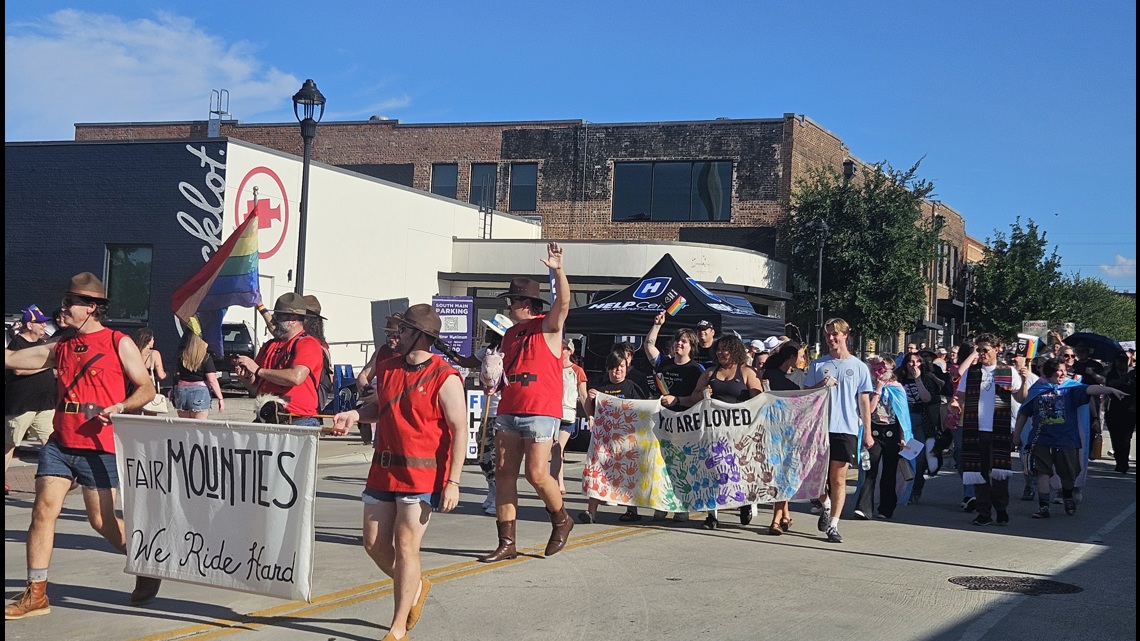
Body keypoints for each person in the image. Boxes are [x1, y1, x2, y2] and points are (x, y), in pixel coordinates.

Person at [4, 272, 160, 619]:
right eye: (64, 301)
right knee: (43, 510)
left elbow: (146, 388)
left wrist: (121, 406)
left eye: (70, 303)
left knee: (101, 522)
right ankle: (36, 592)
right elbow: (14, 360)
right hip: (61, 442)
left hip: (99, 444)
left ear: (91, 307)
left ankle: (145, 562)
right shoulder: (61, 345)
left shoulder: (118, 341)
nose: (63, 308)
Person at [329, 304, 467, 641]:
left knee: (406, 546)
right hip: (383, 469)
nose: (396, 335)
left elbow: (459, 429)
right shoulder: (388, 366)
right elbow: (381, 407)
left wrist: (453, 481)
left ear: (421, 336)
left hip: (423, 474)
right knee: (374, 544)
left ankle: (398, 626)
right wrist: (355, 416)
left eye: (403, 330)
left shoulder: (444, 375)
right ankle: (416, 585)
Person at [480, 242, 574, 563]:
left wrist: (557, 270)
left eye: (513, 301)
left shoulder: (547, 326)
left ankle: (561, 519)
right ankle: (507, 542)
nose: (509, 307)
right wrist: (490, 377)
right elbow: (503, 372)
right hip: (509, 408)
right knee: (504, 473)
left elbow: (563, 302)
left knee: (536, 473)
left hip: (540, 410)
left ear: (527, 303)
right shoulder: (510, 334)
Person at [670, 334, 765, 529]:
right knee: (712, 471)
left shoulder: (746, 372)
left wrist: (760, 391)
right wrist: (698, 393)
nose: (721, 352)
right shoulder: (709, 373)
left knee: (739, 470)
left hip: (740, 432)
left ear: (735, 350)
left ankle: (745, 502)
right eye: (719, 349)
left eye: (726, 349)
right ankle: (711, 515)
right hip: (713, 432)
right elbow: (693, 398)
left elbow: (759, 399)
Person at [1013, 357, 1127, 519]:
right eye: (1059, 370)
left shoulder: (1071, 388)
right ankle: (1044, 507)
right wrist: (1017, 435)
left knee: (1069, 475)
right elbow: (1024, 413)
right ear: (1050, 371)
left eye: (1064, 370)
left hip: (1066, 440)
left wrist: (1110, 390)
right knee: (1042, 473)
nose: (1063, 373)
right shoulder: (1037, 389)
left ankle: (1067, 496)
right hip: (1041, 440)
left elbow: (1090, 389)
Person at [803, 318, 874, 544]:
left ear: (845, 335)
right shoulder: (818, 365)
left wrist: (868, 433)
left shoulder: (859, 367)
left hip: (845, 428)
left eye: (835, 334)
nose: (831, 338)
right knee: (812, 476)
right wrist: (820, 385)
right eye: (828, 335)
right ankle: (824, 503)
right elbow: (805, 395)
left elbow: (864, 402)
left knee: (838, 478)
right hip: (819, 428)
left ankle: (833, 524)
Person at [955, 333, 1029, 526]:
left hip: (999, 429)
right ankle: (983, 512)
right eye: (978, 350)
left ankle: (1001, 508)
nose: (981, 354)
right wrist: (957, 403)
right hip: (975, 429)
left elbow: (1021, 398)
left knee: (999, 474)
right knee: (979, 473)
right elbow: (961, 394)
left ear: (996, 349)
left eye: (985, 350)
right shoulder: (972, 372)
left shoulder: (1007, 371)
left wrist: (1024, 381)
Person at [644, 311, 704, 522]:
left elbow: (699, 398)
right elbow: (649, 345)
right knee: (661, 464)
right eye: (678, 340)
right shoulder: (663, 363)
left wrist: (677, 400)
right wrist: (657, 324)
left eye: (685, 342)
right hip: (662, 423)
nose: (680, 344)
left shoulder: (697, 370)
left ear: (691, 347)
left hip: (686, 425)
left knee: (683, 466)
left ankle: (682, 507)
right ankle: (661, 505)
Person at [577, 350, 650, 523]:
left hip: (627, 441)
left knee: (628, 474)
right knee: (597, 472)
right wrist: (589, 398)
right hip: (604, 441)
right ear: (608, 369)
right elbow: (590, 413)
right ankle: (591, 512)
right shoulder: (600, 388)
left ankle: (631, 510)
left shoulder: (632, 387)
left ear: (627, 367)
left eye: (622, 367)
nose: (618, 371)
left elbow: (642, 411)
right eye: (614, 368)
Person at [234, 293, 324, 426]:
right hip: (267, 419)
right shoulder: (270, 345)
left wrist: (258, 370)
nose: (273, 320)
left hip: (297, 420)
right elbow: (255, 387)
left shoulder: (308, 343)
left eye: (278, 316)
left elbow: (295, 377)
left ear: (293, 319)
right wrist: (246, 376)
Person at [5, 306, 56, 497]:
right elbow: (18, 369)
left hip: (44, 405)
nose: (44, 325)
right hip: (22, 405)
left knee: (50, 442)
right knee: (10, 444)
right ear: (29, 325)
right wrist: (46, 367)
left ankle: (55, 479)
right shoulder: (18, 343)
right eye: (40, 322)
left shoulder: (44, 344)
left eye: (44, 321)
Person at [853, 357, 911, 520]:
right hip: (874, 431)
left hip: (892, 433)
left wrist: (903, 437)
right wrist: (877, 389)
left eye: (882, 370)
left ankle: (887, 508)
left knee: (889, 472)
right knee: (870, 470)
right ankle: (864, 508)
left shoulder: (897, 388)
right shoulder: (868, 389)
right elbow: (868, 411)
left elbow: (902, 415)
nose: (879, 373)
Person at [760, 339, 802, 534]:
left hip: (789, 431)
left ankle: (780, 517)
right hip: (774, 430)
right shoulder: (773, 376)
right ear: (791, 357)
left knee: (783, 473)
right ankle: (780, 517)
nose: (803, 360)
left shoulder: (794, 377)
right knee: (779, 473)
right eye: (800, 356)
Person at [356, 313, 404, 445]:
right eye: (388, 335)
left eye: (395, 336)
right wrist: (366, 388)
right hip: (382, 418)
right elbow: (364, 375)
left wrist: (379, 397)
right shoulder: (382, 352)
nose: (391, 339)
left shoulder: (409, 356)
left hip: (402, 422)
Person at [552, 338, 587, 495]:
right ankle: (556, 482)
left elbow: (583, 395)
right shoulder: (552, 367)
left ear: (570, 351)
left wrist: (591, 415)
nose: (561, 350)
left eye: (563, 348)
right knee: (554, 449)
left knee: (557, 447)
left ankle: (556, 483)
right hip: (550, 412)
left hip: (567, 413)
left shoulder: (577, 371)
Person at [171, 333, 225, 419]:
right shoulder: (206, 358)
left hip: (181, 392)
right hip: (199, 392)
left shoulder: (182, 356)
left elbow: (176, 375)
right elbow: (212, 380)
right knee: (199, 428)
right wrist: (220, 398)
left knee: (184, 427)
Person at [1104, 353, 1136, 474]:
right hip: (1114, 410)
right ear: (1115, 362)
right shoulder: (1112, 374)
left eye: (1125, 361)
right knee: (1116, 436)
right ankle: (1119, 461)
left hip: (1129, 410)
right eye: (1120, 361)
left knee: (1126, 437)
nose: (1122, 363)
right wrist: (1126, 376)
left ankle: (1124, 463)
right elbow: (1112, 384)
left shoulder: (1133, 376)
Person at [132, 328, 167, 416]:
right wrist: (166, 374)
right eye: (152, 339)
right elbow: (161, 375)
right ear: (148, 340)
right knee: (150, 419)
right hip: (149, 389)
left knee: (134, 419)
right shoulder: (154, 354)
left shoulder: (133, 353)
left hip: (134, 389)